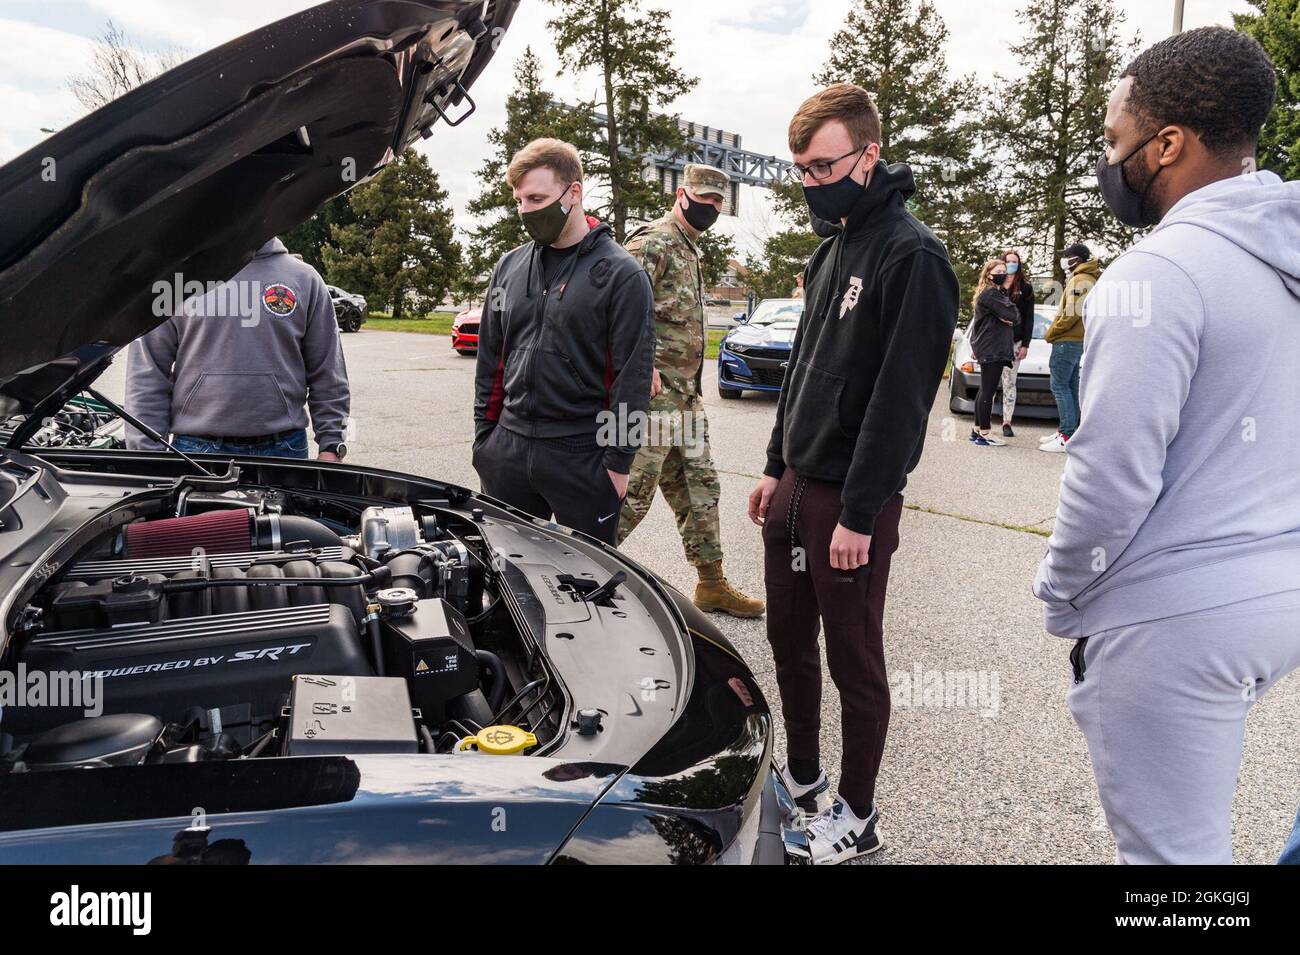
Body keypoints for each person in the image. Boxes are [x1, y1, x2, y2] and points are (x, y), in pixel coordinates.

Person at [1035, 26, 1300, 864]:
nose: (1109, 161)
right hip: (1275, 592)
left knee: (1173, 871)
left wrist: (1062, 589)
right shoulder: (1281, 257)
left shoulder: (1159, 273)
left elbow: (1110, 475)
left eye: (1115, 141)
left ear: (1169, 143)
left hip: (1173, 618)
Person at [748, 83, 959, 864]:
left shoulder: (914, 256)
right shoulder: (829, 247)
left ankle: (858, 814)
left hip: (849, 501)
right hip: (796, 488)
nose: (811, 182)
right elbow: (802, 370)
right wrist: (775, 466)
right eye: (800, 169)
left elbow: (900, 404)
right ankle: (803, 777)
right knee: (787, 639)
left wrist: (862, 515)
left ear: (869, 156)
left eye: (823, 165)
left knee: (854, 659)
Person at [472, 138, 655, 545]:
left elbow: (633, 376)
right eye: (519, 201)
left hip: (583, 455)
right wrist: (486, 438)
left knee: (587, 590)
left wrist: (617, 465)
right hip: (508, 451)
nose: (526, 210)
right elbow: (491, 357)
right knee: (506, 577)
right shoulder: (509, 266)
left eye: (537, 198)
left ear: (574, 192)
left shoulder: (622, 274)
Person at [618, 164, 765, 617]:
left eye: (719, 201)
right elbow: (614, 306)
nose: (711, 208)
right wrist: (638, 368)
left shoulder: (690, 248)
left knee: (700, 487)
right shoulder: (653, 241)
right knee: (629, 496)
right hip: (650, 401)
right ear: (682, 193)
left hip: (685, 399)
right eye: (704, 198)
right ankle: (565, 572)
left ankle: (712, 584)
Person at [125, 237, 350, 461]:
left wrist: (332, 445)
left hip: (285, 449)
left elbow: (328, 372)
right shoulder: (176, 280)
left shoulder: (304, 279)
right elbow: (148, 373)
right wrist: (146, 456)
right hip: (195, 450)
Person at [1040, 241, 1098, 453]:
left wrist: (1051, 332)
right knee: (1071, 387)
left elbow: (1072, 313)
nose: (1064, 259)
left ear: (1078, 259)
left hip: (1067, 341)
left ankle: (1066, 435)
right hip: (1074, 341)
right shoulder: (1083, 278)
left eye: (1067, 255)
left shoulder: (1081, 280)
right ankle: (1068, 431)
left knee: (1060, 387)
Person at [967, 259, 1019, 447]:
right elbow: (1014, 315)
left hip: (989, 346)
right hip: (993, 347)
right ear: (989, 275)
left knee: (984, 389)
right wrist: (1007, 317)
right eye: (999, 271)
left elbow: (1007, 317)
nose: (1003, 273)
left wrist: (1006, 316)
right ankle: (985, 433)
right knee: (988, 391)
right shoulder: (991, 294)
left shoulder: (992, 293)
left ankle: (976, 430)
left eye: (1004, 270)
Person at [998, 249, 1035, 437]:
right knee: (989, 381)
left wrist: (1025, 344)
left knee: (1010, 382)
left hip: (1015, 341)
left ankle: (1007, 421)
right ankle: (982, 421)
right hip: (994, 341)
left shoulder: (1026, 288)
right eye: (1009, 261)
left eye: (1015, 261)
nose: (1012, 264)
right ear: (1002, 262)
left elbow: (1029, 318)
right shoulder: (995, 284)